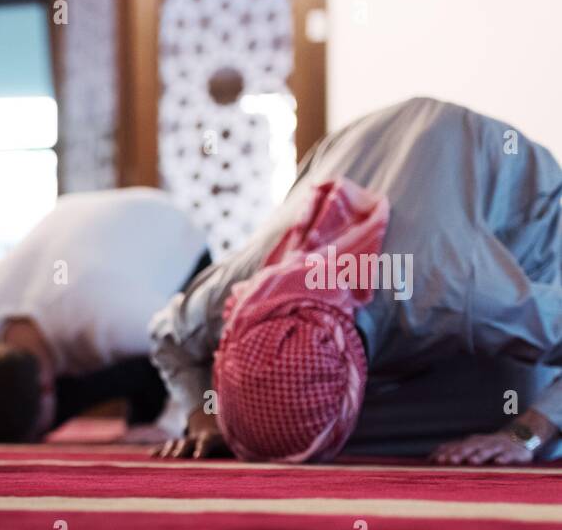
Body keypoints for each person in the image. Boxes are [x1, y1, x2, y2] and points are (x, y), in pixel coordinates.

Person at [150, 97, 562, 465]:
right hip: (363, 144)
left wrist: (524, 435)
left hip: (515, 212)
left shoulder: (459, 292)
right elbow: (170, 334)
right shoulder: (246, 281)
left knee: (511, 410)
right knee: (299, 430)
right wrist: (205, 418)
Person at [0, 188, 210, 442]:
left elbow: (189, 337)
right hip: (75, 221)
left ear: (48, 386)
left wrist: (172, 424)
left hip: (169, 230)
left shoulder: (104, 319)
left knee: (150, 396)